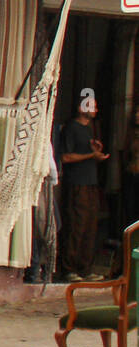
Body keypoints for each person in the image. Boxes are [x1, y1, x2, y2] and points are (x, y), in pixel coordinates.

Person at [59, 94, 110, 282]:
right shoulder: (71, 128)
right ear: (81, 108)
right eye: (91, 106)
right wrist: (91, 156)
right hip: (76, 183)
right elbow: (66, 157)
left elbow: (86, 152)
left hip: (90, 183)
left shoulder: (89, 129)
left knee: (89, 226)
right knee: (76, 226)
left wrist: (95, 150)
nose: (95, 109)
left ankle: (85, 268)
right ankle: (68, 268)